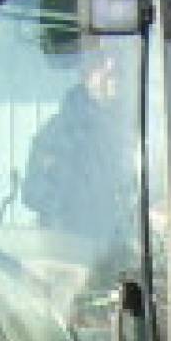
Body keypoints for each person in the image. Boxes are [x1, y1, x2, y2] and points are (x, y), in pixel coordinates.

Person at [22, 38, 131, 249]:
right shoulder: (58, 135)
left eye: (117, 57)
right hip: (80, 259)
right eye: (100, 59)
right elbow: (36, 195)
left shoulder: (152, 127)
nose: (112, 65)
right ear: (84, 72)